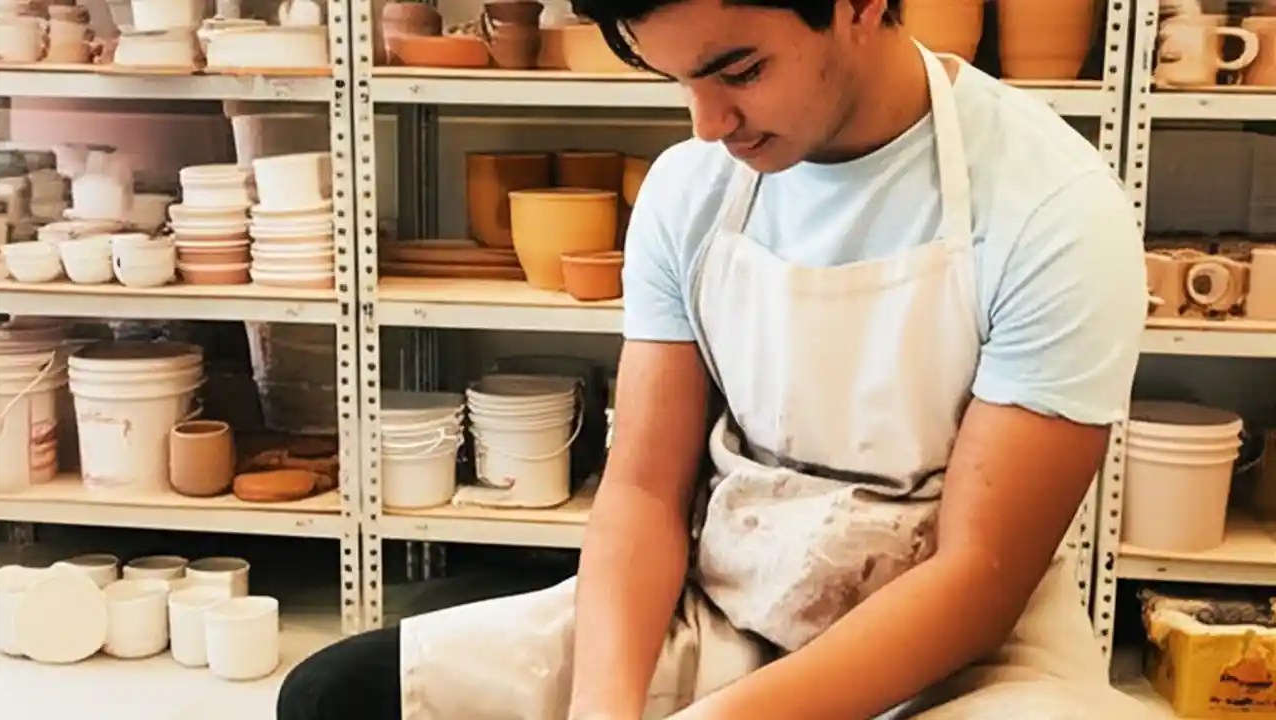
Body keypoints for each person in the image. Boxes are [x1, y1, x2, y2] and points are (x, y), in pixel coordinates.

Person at [279, 0, 1157, 717]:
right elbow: (642, 492)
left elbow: (977, 578)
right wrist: (603, 708)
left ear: (863, 6)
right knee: (333, 696)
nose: (707, 124)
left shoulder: (1054, 209)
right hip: (730, 608)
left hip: (964, 659)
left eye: (739, 71)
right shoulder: (690, 191)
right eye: (678, 80)